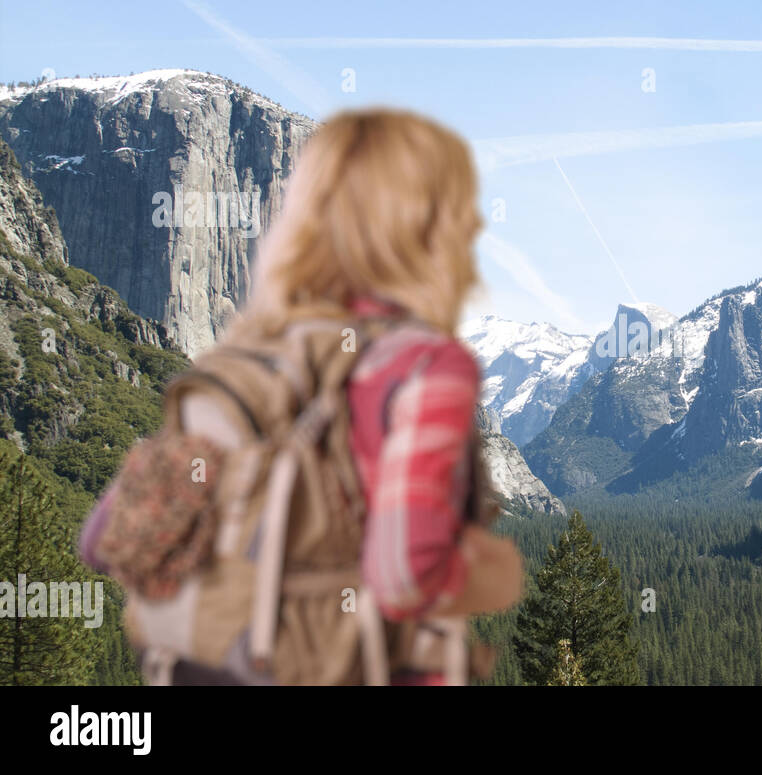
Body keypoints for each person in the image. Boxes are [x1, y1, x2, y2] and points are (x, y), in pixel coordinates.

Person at [81, 109, 523, 685]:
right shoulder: (422, 365)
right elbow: (401, 573)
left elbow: (103, 543)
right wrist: (499, 571)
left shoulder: (241, 362)